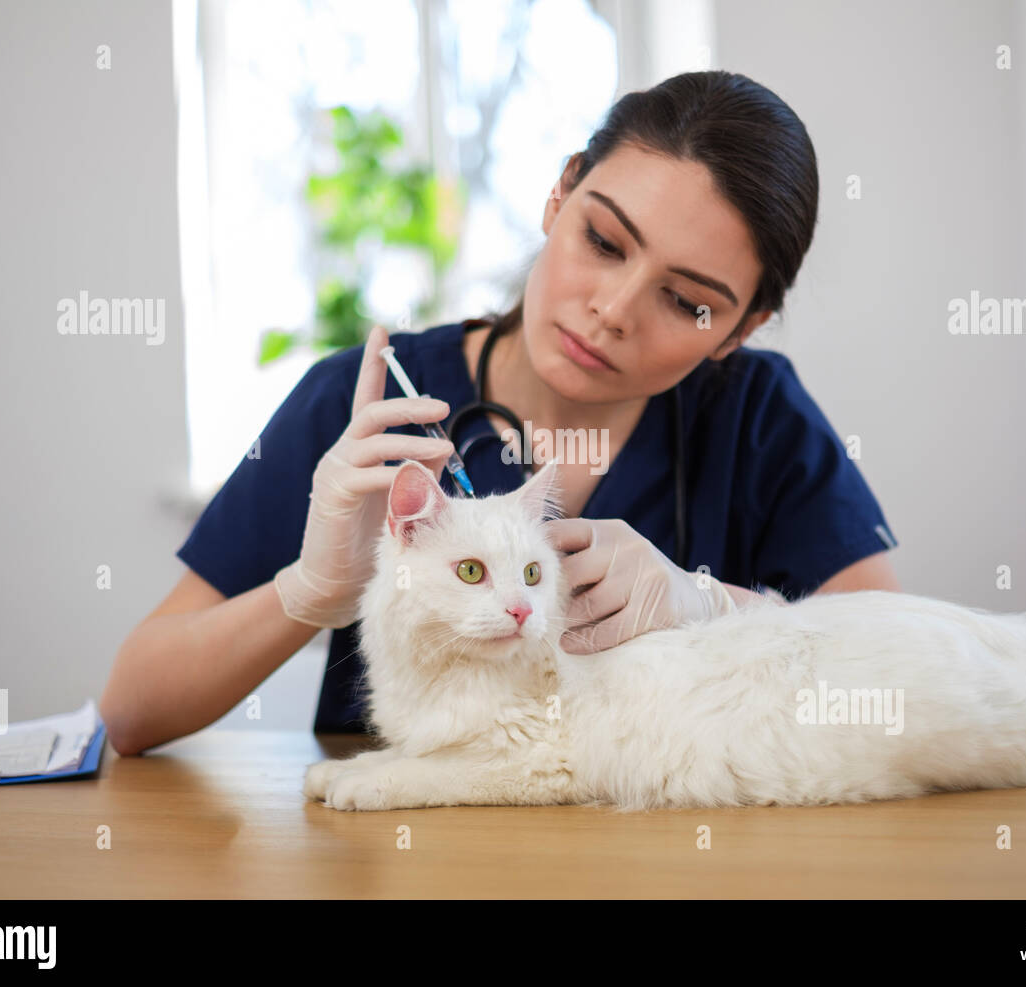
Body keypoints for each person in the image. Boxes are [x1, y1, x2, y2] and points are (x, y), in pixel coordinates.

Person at [100, 70, 900, 756]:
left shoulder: (758, 421)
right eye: (605, 241)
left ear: (740, 329)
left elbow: (897, 677)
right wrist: (312, 590)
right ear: (560, 194)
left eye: (686, 300)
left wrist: (711, 604)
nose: (613, 309)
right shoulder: (375, 403)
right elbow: (130, 710)